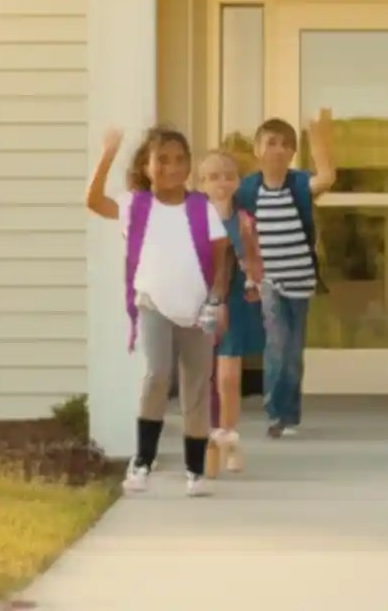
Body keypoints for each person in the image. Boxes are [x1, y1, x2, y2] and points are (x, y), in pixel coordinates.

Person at [85, 126, 233, 497]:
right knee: (157, 374)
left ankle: (195, 471)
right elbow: (94, 201)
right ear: (146, 167)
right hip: (153, 303)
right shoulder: (137, 206)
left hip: (197, 309)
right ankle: (143, 462)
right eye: (162, 160)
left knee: (196, 387)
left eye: (180, 159)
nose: (172, 167)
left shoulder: (202, 208)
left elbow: (220, 259)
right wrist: (106, 155)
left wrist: (217, 299)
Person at [234, 111, 336, 439]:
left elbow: (328, 177)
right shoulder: (248, 190)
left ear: (293, 153)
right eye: (271, 143)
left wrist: (318, 140)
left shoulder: (298, 183)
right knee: (276, 343)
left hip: (300, 279)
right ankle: (275, 415)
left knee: (293, 350)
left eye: (286, 145)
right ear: (257, 150)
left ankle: (290, 415)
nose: (278, 149)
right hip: (269, 281)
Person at [198, 151, 265, 472]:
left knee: (228, 377)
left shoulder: (244, 220)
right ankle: (209, 443)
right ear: (200, 183)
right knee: (203, 377)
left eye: (227, 175)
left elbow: (256, 261)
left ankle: (230, 436)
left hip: (236, 302)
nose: (221, 182)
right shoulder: (195, 218)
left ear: (237, 181)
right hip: (200, 303)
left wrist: (252, 273)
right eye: (213, 177)